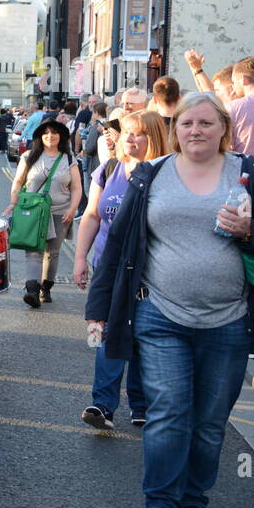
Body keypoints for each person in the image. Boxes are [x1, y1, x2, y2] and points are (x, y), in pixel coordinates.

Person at [85, 93, 254, 508]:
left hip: (230, 322)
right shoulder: (151, 175)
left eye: (205, 122)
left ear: (224, 127)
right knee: (168, 411)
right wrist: (99, 310)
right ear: (175, 129)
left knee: (209, 422)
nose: (195, 130)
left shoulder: (252, 174)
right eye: (186, 123)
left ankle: (193, 505)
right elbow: (120, 246)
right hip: (160, 315)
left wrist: (250, 230)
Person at [72, 110, 168, 429]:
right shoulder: (109, 168)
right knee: (107, 334)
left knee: (141, 336)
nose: (129, 138)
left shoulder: (163, 175)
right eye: (126, 131)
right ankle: (103, 405)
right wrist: (80, 258)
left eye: (138, 133)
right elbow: (92, 215)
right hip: (109, 268)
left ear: (153, 137)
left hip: (148, 272)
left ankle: (140, 403)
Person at [5, 119, 82, 309]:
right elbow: (18, 181)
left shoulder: (69, 159)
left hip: (59, 213)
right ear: (40, 135)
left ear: (61, 136)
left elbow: (77, 188)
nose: (50, 136)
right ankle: (31, 289)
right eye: (46, 132)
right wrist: (14, 202)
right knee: (33, 251)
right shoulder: (29, 156)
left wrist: (72, 210)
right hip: (32, 212)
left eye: (54, 132)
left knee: (52, 253)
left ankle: (46, 287)